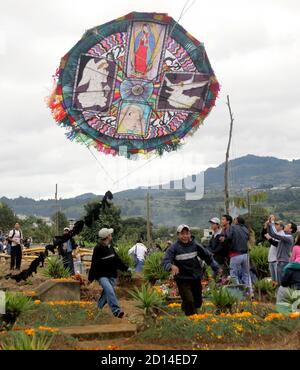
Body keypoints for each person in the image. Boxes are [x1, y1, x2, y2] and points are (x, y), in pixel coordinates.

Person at [162, 224, 220, 316]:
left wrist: (215, 267)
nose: (185, 236)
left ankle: (186, 306)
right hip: (182, 279)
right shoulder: (173, 248)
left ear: (190, 234)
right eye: (182, 234)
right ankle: (192, 319)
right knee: (189, 300)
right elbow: (165, 260)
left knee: (198, 302)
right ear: (178, 235)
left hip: (195, 277)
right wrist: (171, 266)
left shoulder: (195, 245)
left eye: (187, 233)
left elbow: (207, 256)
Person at [88, 228, 130, 318]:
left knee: (106, 294)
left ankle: (96, 311)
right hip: (102, 276)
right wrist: (90, 278)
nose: (111, 236)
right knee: (110, 290)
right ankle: (116, 311)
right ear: (107, 237)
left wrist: (126, 268)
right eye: (110, 235)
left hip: (112, 275)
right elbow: (94, 263)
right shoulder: (98, 248)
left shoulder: (110, 247)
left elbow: (117, 260)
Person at [266, 215, 297, 284]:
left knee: (281, 282)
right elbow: (272, 234)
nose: (285, 226)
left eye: (288, 225)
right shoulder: (285, 236)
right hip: (280, 261)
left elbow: (274, 234)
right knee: (279, 281)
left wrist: (272, 222)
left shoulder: (288, 237)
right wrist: (269, 224)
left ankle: (281, 294)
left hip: (283, 262)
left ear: (291, 229)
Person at [221, 216, 250, 289]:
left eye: (235, 219)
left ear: (237, 221)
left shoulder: (233, 227)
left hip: (235, 254)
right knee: (246, 274)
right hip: (246, 255)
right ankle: (249, 292)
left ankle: (238, 292)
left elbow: (229, 237)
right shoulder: (245, 229)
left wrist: (224, 238)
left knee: (233, 275)